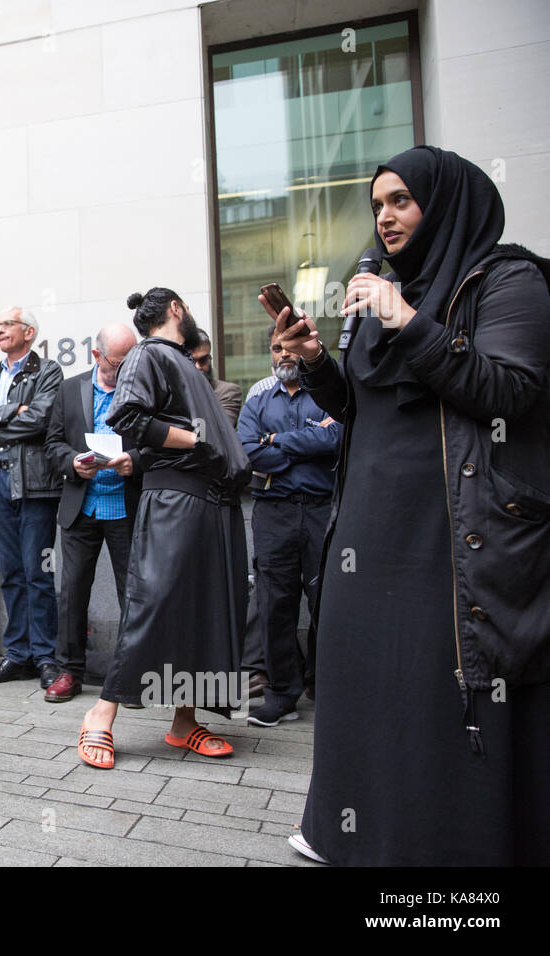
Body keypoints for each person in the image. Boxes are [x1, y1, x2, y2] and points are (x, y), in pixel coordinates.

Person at [275, 146, 550, 866]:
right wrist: (316, 366)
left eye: (400, 200)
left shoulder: (506, 279)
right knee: (367, 674)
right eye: (376, 205)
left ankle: (441, 847)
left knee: (435, 680)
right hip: (370, 520)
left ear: (446, 201)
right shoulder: (387, 290)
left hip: (452, 529)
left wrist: (410, 320)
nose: (385, 216)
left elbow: (509, 390)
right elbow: (367, 408)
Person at [76, 289, 250, 769]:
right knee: (153, 605)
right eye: (188, 310)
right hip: (177, 501)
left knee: (202, 610)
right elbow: (127, 414)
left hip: (212, 502)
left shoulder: (178, 361)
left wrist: (161, 450)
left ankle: (183, 722)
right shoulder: (150, 353)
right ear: (176, 309)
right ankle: (99, 714)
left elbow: (155, 438)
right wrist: (197, 438)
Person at [236, 327, 339, 726]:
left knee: (326, 601)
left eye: (290, 347)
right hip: (273, 512)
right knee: (275, 603)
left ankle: (324, 684)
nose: (284, 354)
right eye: (276, 348)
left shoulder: (330, 393)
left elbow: (337, 439)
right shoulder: (258, 399)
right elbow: (249, 452)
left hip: (322, 509)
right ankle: (281, 695)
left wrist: (277, 441)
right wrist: (306, 443)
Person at [0, 307, 63, 687]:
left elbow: (40, 418)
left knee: (39, 573)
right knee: (13, 574)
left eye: (8, 325)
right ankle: (18, 655)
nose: (1, 330)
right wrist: (10, 412)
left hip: (35, 485)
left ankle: (45, 657)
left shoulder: (47, 371)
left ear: (29, 332)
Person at [43, 323, 142, 702]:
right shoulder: (70, 390)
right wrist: (72, 463)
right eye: (120, 361)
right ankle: (69, 671)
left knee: (132, 594)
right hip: (82, 505)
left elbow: (159, 443)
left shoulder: (142, 390)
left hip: (125, 507)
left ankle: (131, 675)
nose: (127, 367)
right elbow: (51, 444)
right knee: (72, 593)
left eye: (132, 358)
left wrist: (133, 460)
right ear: (98, 356)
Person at [190, 333, 243, 427]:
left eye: (203, 360)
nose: (198, 367)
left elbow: (221, 430)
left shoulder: (227, 391)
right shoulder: (171, 392)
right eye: (191, 361)